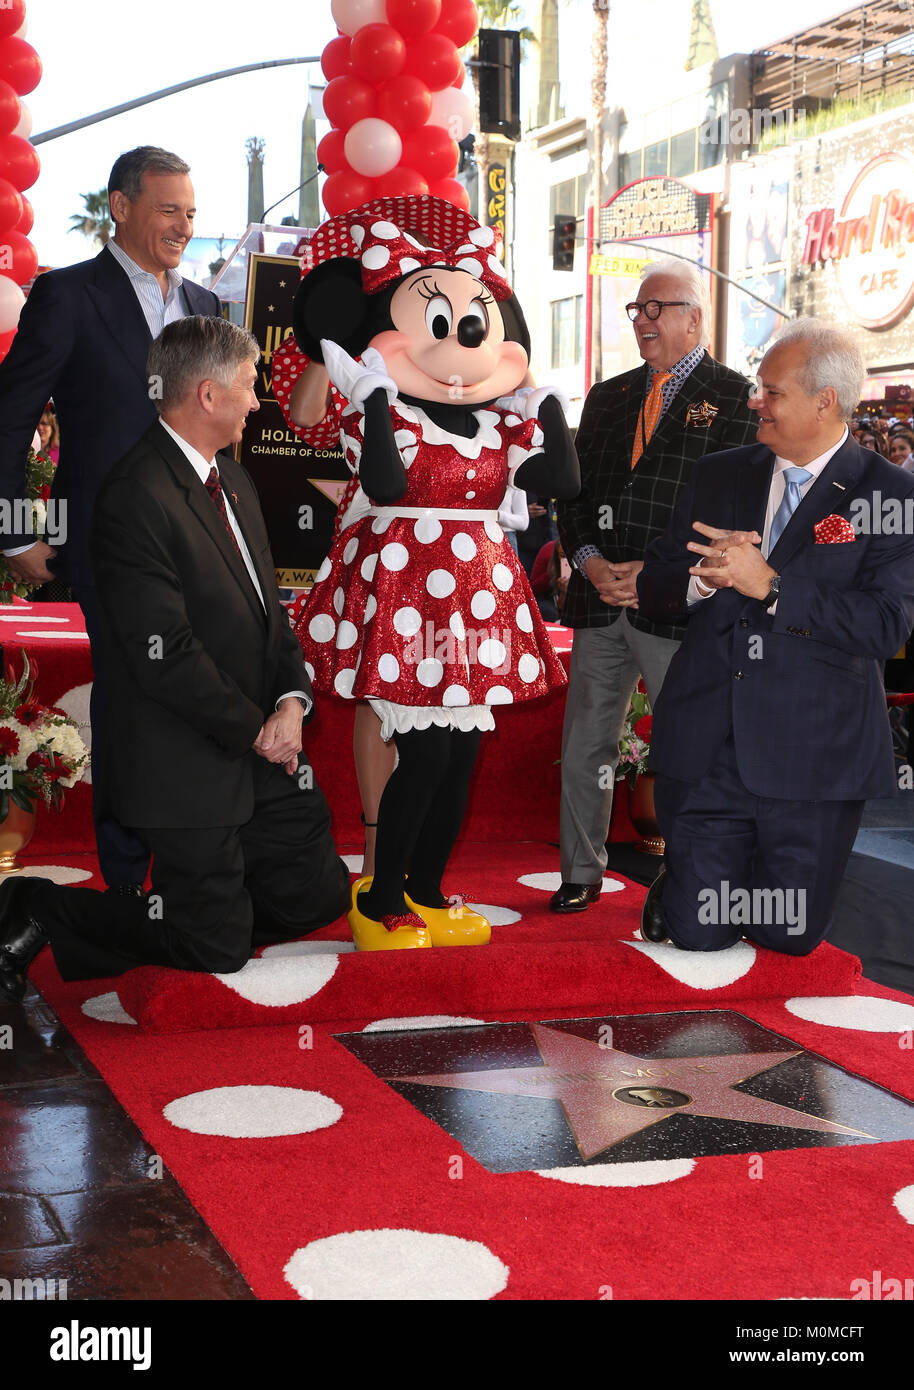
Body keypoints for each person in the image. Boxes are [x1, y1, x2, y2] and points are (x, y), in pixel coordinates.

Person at [0, 316, 350, 1002]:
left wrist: (291, 702)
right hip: (181, 757)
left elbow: (270, 614)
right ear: (208, 396)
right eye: (250, 387)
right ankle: (40, 907)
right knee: (216, 947)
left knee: (319, 899)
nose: (259, 402)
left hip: (258, 738)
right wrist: (258, 726)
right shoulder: (133, 495)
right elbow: (166, 655)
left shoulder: (236, 482)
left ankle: (207, 901)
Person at [637, 318, 914, 955]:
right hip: (708, 744)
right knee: (699, 936)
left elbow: (884, 626)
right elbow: (653, 583)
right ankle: (681, 891)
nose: (754, 401)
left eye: (772, 391)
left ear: (826, 401)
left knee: (784, 938)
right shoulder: (721, 473)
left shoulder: (890, 495)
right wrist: (702, 583)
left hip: (814, 756)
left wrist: (772, 586)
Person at [0, 145, 222, 895]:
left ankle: (192, 871)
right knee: (131, 703)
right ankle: (129, 887)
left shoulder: (205, 305)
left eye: (191, 212)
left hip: (202, 546)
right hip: (105, 543)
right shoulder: (66, 295)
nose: (183, 226)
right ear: (121, 207)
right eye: (168, 209)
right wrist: (18, 532)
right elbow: (9, 419)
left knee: (197, 700)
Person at [551, 257, 757, 913]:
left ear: (694, 319)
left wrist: (663, 572)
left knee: (687, 748)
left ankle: (688, 875)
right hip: (600, 598)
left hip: (680, 607)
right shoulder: (608, 397)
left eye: (655, 309)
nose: (641, 321)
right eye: (635, 310)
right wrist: (588, 561)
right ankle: (580, 873)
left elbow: (740, 510)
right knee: (586, 744)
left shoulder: (734, 398)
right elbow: (572, 496)